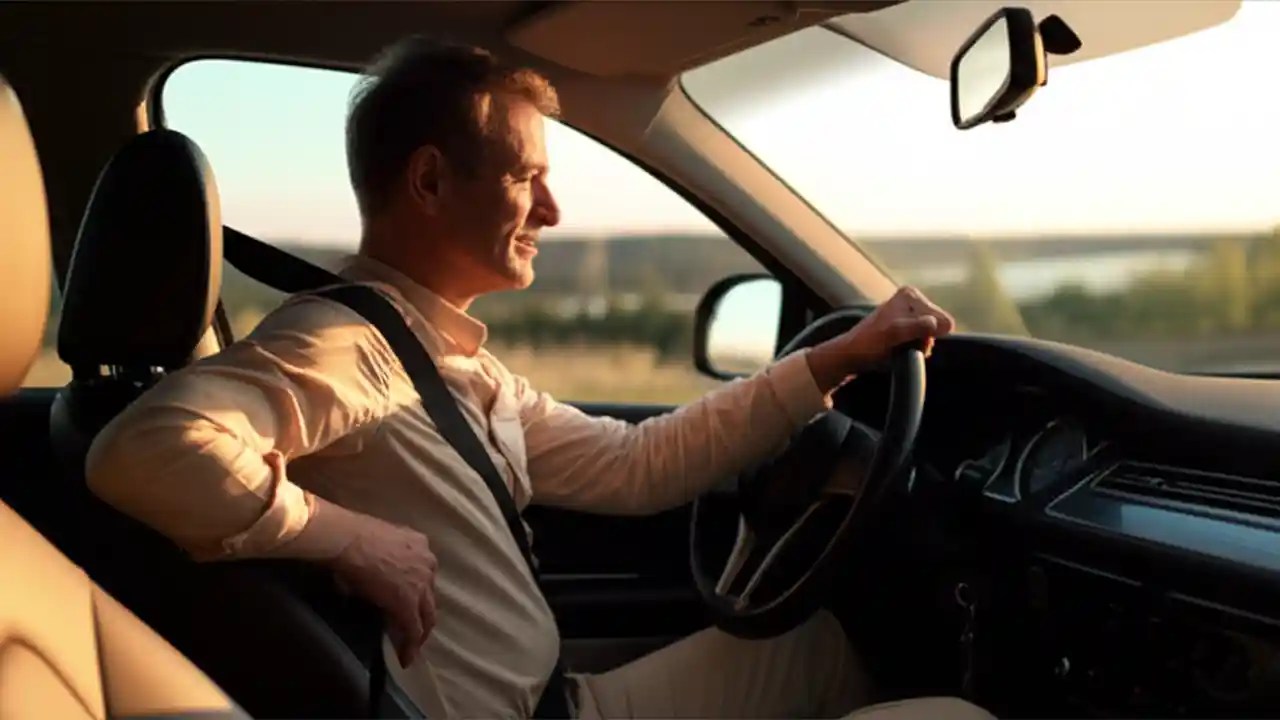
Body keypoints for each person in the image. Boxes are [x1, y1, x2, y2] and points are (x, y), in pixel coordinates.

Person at [86, 36, 988, 720]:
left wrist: (836, 358)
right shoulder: (340, 346)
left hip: (557, 699)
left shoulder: (439, 357)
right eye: (529, 179)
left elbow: (640, 464)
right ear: (431, 183)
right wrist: (346, 537)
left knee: (825, 648)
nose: (553, 211)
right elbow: (140, 450)